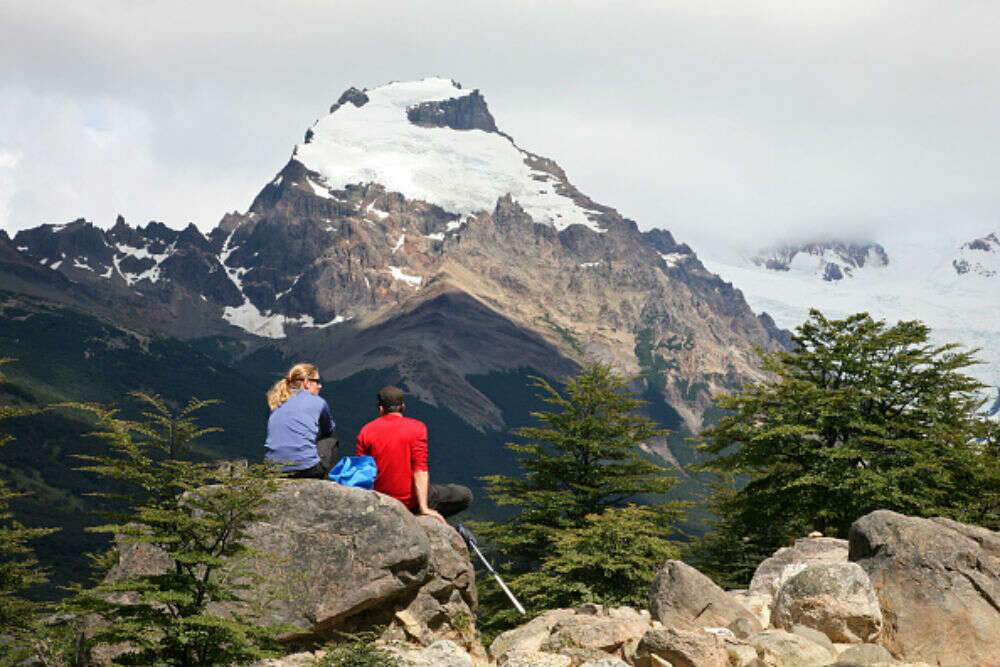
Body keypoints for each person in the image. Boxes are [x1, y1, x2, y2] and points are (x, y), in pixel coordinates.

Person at [356, 385, 472, 524]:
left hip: (382, 500)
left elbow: (362, 472)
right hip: (411, 502)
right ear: (403, 407)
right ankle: (419, 520)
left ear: (381, 409)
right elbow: (420, 469)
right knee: (465, 495)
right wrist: (424, 507)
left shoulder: (366, 431)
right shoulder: (417, 427)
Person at [264, 362, 337, 478]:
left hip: (273, 468)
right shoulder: (319, 402)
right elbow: (328, 430)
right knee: (330, 442)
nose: (320, 386)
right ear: (307, 383)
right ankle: (326, 487)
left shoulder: (277, 401)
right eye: (317, 381)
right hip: (306, 469)